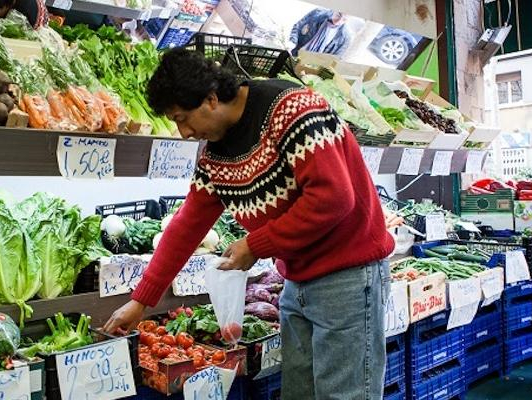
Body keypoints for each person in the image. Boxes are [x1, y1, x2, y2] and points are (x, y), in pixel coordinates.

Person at [103, 48, 395, 400]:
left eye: (183, 118)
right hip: (297, 282)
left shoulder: (291, 109)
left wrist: (255, 245)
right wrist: (140, 301)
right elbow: (186, 225)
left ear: (210, 99)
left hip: (347, 278)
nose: (182, 132)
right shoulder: (216, 153)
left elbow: (333, 197)